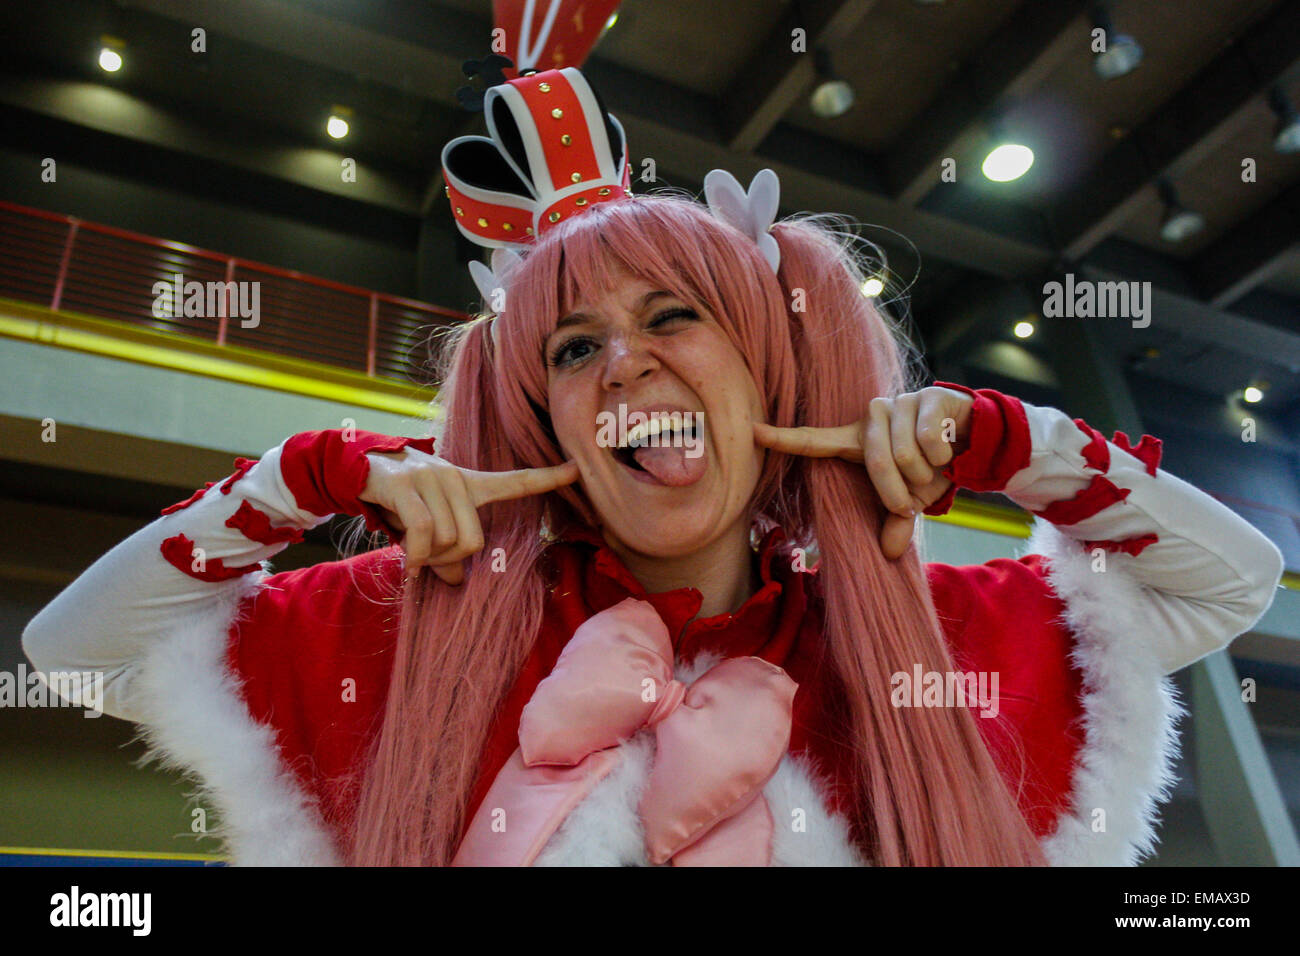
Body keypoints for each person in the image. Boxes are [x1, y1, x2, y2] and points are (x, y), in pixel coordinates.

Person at [23, 68, 1284, 867]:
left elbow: (1233, 579)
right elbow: (72, 653)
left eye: (675, 317)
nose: (623, 364)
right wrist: (300, 481)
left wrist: (1017, 448)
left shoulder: (925, 636)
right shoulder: (402, 638)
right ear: (542, 414)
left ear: (767, 375)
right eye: (576, 346)